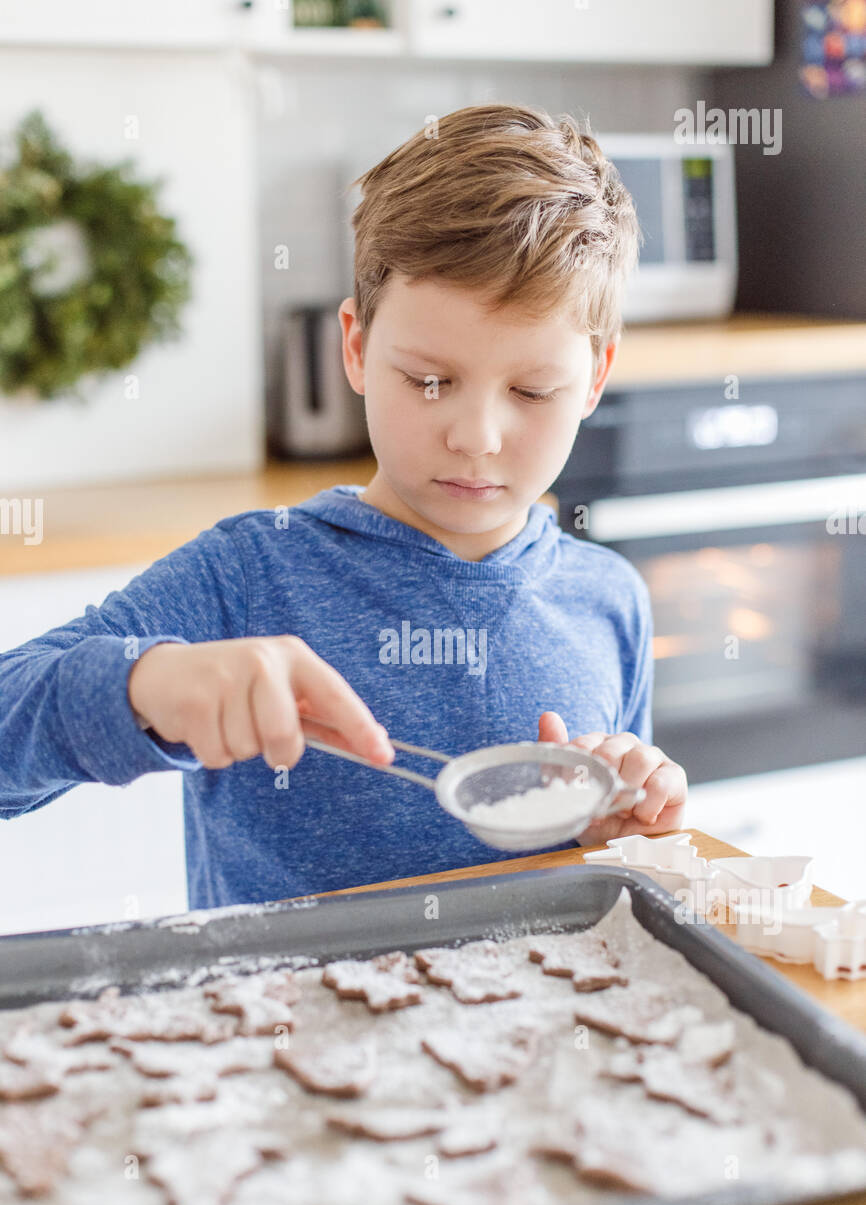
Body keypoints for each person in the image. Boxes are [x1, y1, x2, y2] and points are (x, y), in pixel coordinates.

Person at [0, 103, 687, 911]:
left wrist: (631, 831)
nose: (476, 437)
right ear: (356, 348)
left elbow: (612, 878)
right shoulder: (250, 575)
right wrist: (143, 687)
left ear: (596, 379)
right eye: (429, 380)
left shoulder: (610, 600)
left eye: (533, 390)